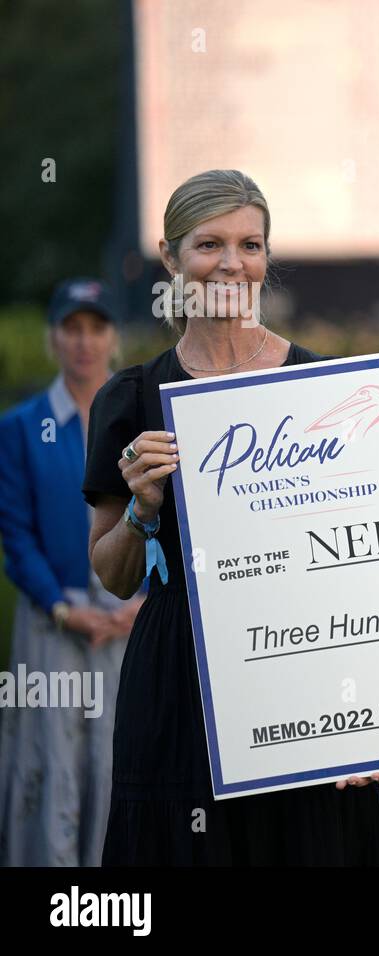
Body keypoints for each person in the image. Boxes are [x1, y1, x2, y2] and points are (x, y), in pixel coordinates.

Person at [83, 169, 379, 865]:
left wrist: (377, 712)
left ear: (266, 257)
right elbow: (109, 573)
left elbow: (361, 568)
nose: (231, 263)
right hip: (177, 681)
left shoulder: (322, 386)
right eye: (209, 244)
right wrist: (141, 508)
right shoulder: (129, 398)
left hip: (304, 669)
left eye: (250, 245)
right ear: (170, 257)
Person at [0, 280, 139, 865]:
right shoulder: (22, 426)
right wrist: (64, 608)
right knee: (50, 764)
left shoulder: (136, 418)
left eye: (96, 328)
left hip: (127, 622)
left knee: (115, 761)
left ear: (113, 337)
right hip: (53, 621)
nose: (84, 342)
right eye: (72, 328)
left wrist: (135, 610)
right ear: (54, 338)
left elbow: (163, 523)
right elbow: (16, 534)